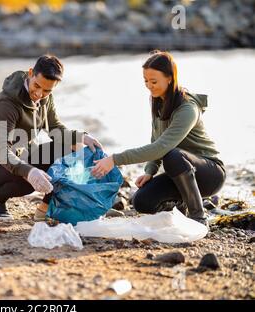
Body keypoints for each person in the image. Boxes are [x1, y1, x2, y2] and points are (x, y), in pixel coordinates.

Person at [91, 50, 226, 227]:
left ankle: (198, 217)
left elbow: (162, 147)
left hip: (210, 174)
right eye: (146, 81)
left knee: (172, 155)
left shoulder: (188, 108)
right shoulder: (159, 102)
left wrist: (115, 160)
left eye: (154, 81)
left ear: (170, 78)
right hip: (180, 171)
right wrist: (150, 171)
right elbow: (156, 140)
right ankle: (181, 206)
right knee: (141, 201)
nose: (149, 85)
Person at [0, 55, 102, 220]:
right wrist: (30, 171)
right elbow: (1, 150)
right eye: (37, 86)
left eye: (47, 90)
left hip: (22, 154)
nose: (39, 94)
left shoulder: (45, 98)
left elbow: (55, 128)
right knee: (30, 181)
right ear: (30, 73)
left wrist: (81, 137)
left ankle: (46, 208)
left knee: (70, 147)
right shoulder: (6, 104)